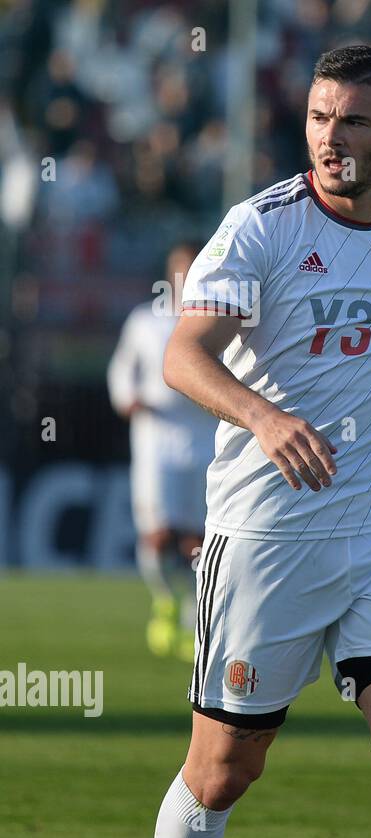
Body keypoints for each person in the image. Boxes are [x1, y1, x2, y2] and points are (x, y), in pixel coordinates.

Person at [154, 45, 371, 838]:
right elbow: (184, 355)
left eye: (354, 121)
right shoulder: (260, 228)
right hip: (266, 536)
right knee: (226, 767)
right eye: (318, 117)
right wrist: (263, 416)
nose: (331, 137)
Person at [107, 239, 215, 660]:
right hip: (156, 437)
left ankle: (192, 612)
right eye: (179, 268)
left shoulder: (216, 319)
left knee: (198, 540)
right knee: (157, 535)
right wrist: (127, 397)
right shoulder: (145, 321)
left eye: (192, 267)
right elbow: (121, 370)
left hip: (205, 436)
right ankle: (165, 598)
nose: (184, 276)